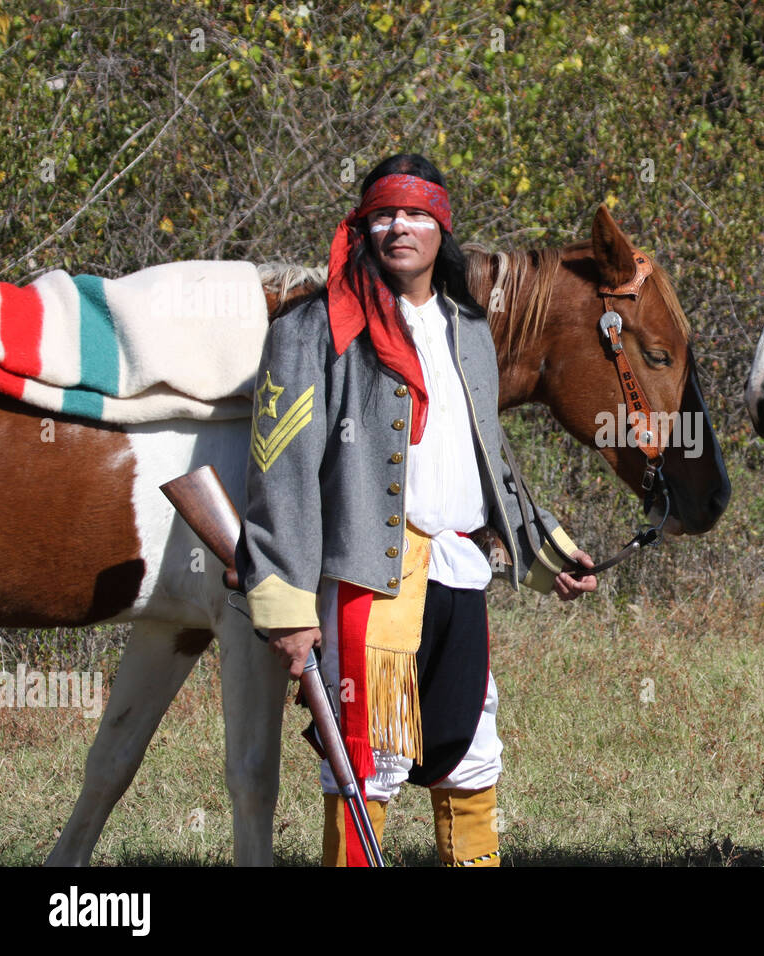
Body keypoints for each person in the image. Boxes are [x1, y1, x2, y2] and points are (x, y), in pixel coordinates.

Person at [237, 154, 597, 867]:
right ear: (364, 224)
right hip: (371, 583)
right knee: (364, 763)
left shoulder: (468, 328)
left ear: (442, 226)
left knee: (469, 752)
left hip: (461, 573)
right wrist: (285, 601)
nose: (399, 226)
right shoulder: (314, 329)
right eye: (384, 212)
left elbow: (488, 457)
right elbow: (280, 470)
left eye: (416, 213)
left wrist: (543, 549)